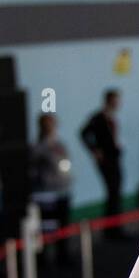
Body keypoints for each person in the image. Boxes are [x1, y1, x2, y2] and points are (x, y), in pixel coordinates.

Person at [30, 113, 72, 257]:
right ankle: (43, 255)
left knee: (63, 224)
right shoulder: (37, 148)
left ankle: (62, 253)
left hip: (62, 190)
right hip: (46, 193)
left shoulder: (59, 145)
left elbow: (65, 164)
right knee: (46, 226)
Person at [79, 88, 123, 224]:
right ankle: (111, 227)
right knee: (112, 190)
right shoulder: (98, 118)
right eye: (115, 100)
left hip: (114, 157)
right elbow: (83, 133)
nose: (118, 103)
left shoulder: (111, 118)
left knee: (116, 190)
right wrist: (94, 150)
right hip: (106, 159)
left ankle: (114, 224)